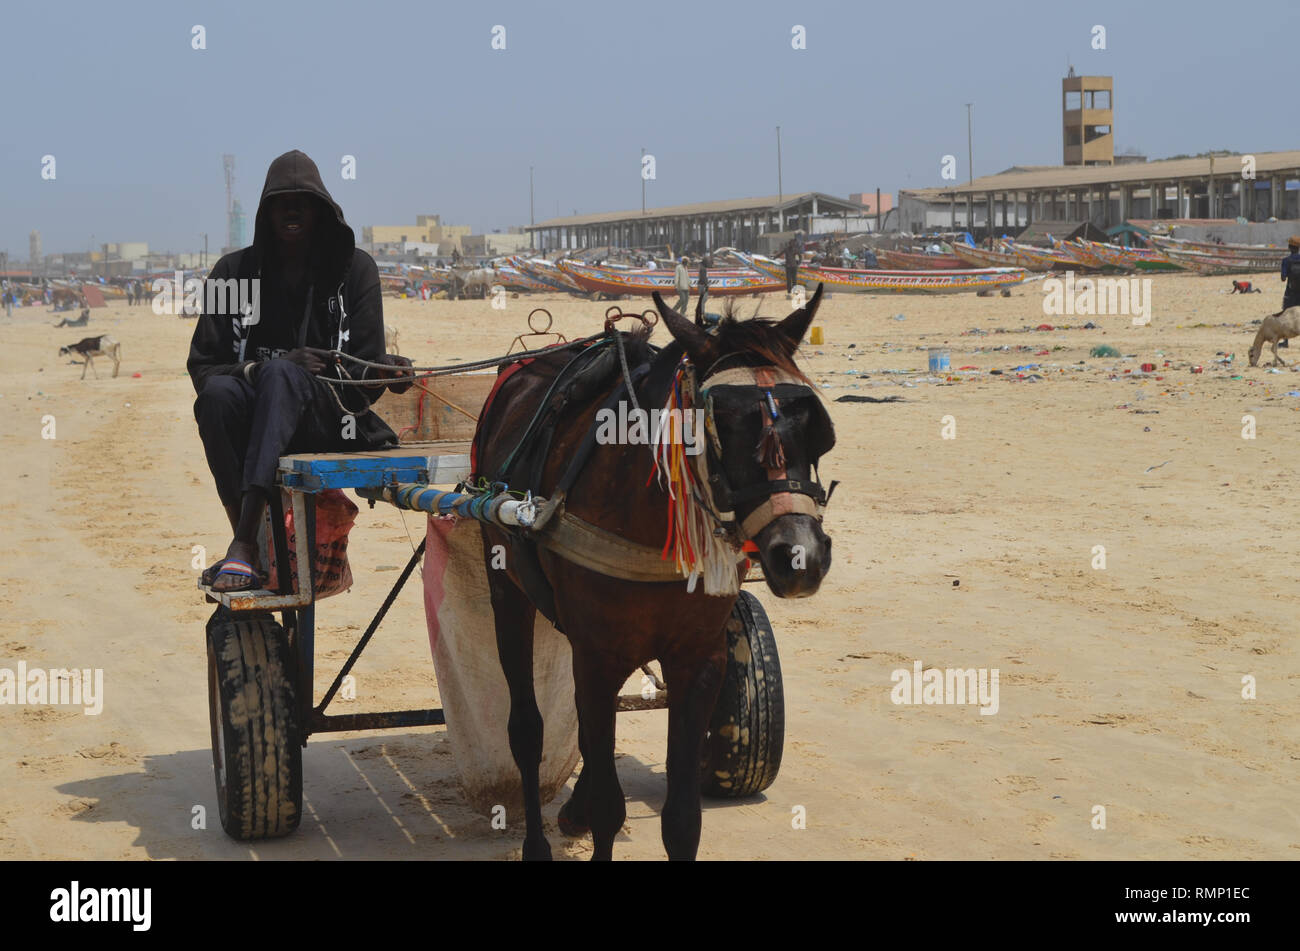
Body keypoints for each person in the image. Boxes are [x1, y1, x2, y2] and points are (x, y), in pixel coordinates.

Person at [188, 150, 412, 592]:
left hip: (330, 422)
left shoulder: (357, 270)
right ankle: (249, 539)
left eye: (303, 200)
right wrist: (265, 367)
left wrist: (386, 373)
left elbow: (364, 378)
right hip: (254, 423)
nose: (292, 209)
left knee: (282, 377)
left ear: (321, 210)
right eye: (281, 201)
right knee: (218, 397)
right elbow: (203, 368)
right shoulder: (229, 275)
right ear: (266, 210)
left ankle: (242, 546)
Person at [1278, 234, 1300, 349]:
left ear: (1289, 247)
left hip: (1290, 293)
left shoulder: (1286, 261)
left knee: (1286, 316)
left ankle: (1285, 342)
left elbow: (1283, 278)